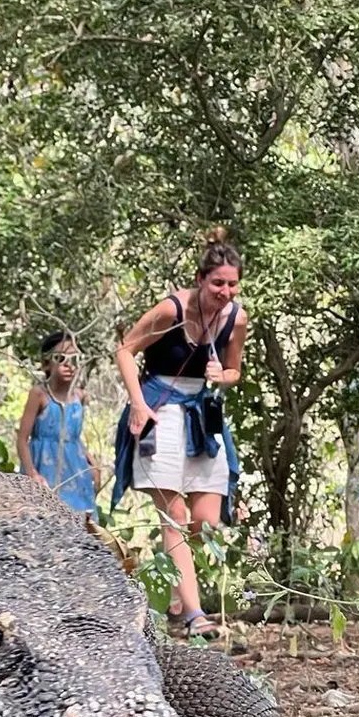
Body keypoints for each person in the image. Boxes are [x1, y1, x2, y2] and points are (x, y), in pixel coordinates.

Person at [111, 231, 248, 639]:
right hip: (160, 408)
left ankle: (176, 594)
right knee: (174, 516)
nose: (224, 291)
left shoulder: (235, 318)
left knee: (205, 523)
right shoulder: (171, 310)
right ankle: (195, 615)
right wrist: (137, 403)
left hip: (201, 415)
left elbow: (234, 371)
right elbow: (124, 350)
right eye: (217, 283)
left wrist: (222, 375)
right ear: (201, 279)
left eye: (232, 284)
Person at [16, 331, 100, 516]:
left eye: (74, 359)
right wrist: (32, 474)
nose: (69, 365)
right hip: (45, 467)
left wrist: (92, 464)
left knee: (81, 519)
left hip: (75, 469)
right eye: (60, 358)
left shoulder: (79, 396)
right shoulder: (39, 395)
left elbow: (73, 438)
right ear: (47, 363)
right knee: (46, 517)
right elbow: (22, 439)